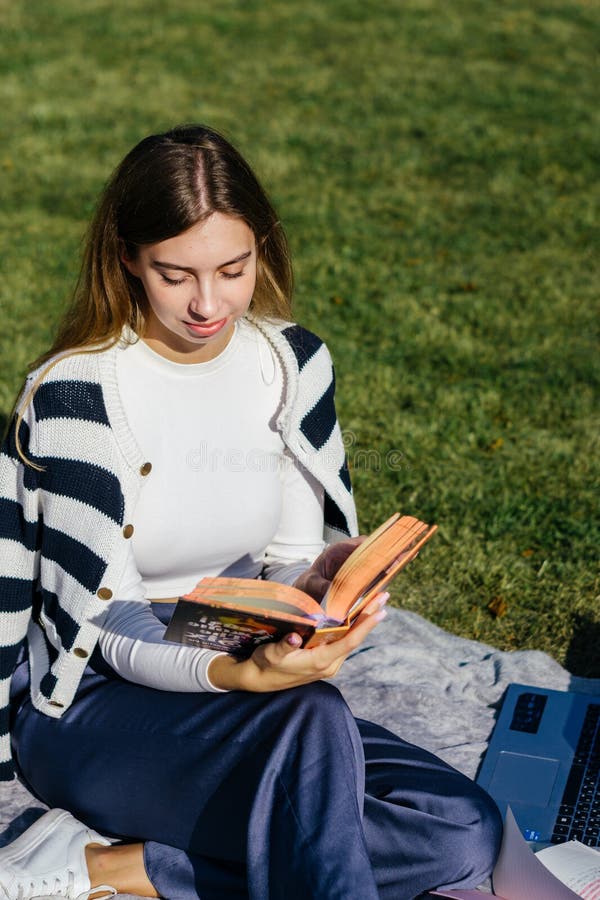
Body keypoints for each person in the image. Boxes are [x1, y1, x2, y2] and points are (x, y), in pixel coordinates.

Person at [0, 124, 502, 900]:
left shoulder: (291, 364)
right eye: (174, 274)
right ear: (127, 257)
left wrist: (320, 582)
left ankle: (124, 867)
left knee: (461, 830)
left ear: (261, 249)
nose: (208, 303)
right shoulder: (78, 395)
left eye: (232, 270)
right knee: (311, 717)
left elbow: (284, 563)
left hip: (238, 664)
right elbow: (108, 623)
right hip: (93, 701)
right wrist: (243, 673)